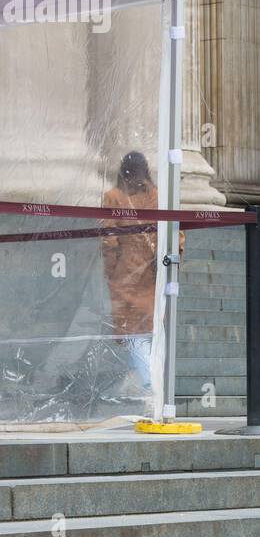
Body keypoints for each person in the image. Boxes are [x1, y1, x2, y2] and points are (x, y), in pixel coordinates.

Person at [99, 151, 184, 390]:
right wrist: (173, 263)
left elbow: (109, 239)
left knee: (131, 332)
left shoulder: (113, 197)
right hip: (156, 270)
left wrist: (111, 271)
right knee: (150, 329)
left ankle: (150, 384)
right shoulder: (158, 196)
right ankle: (153, 383)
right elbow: (176, 233)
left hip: (126, 271)